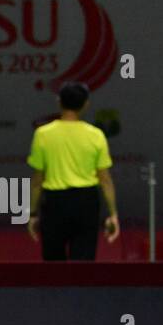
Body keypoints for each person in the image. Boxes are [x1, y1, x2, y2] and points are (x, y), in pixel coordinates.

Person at [27, 81, 120, 260]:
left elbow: (37, 180)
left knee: (54, 266)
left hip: (55, 204)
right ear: (86, 104)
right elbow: (105, 180)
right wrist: (113, 214)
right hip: (86, 203)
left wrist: (32, 214)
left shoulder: (43, 134)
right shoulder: (96, 135)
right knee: (83, 267)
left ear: (58, 101)